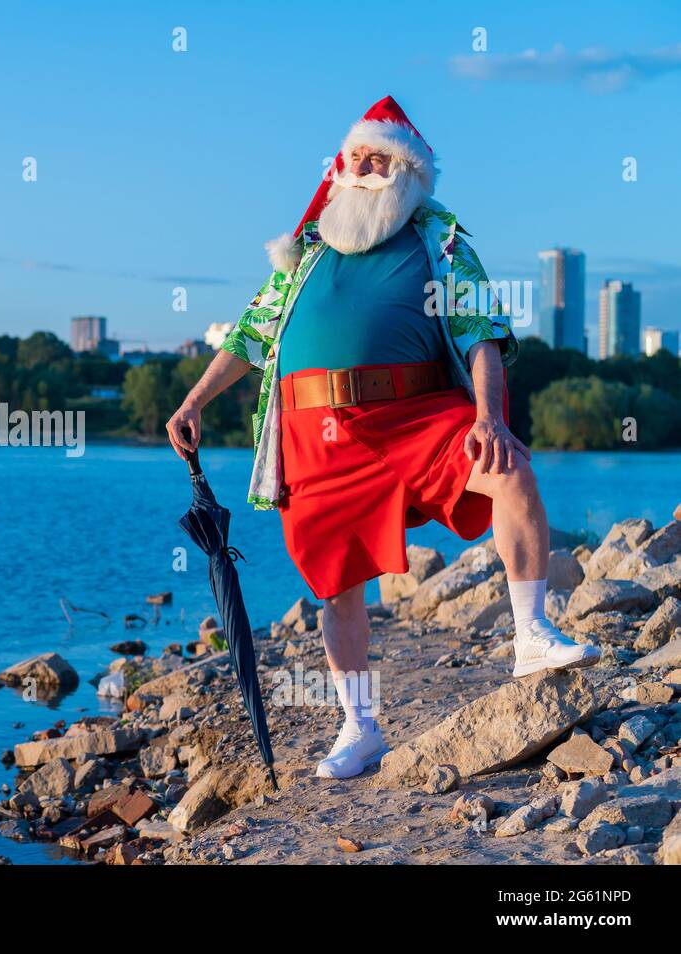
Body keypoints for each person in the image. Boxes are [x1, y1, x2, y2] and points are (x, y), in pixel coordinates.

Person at [165, 95, 600, 780]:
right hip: (316, 437)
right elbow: (250, 334)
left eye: (380, 157)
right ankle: (360, 727)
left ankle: (531, 634)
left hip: (416, 418)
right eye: (356, 155)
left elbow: (481, 334)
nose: (364, 166)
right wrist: (193, 399)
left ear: (407, 171)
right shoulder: (304, 251)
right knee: (336, 583)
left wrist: (490, 417)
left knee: (510, 470)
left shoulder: (438, 238)